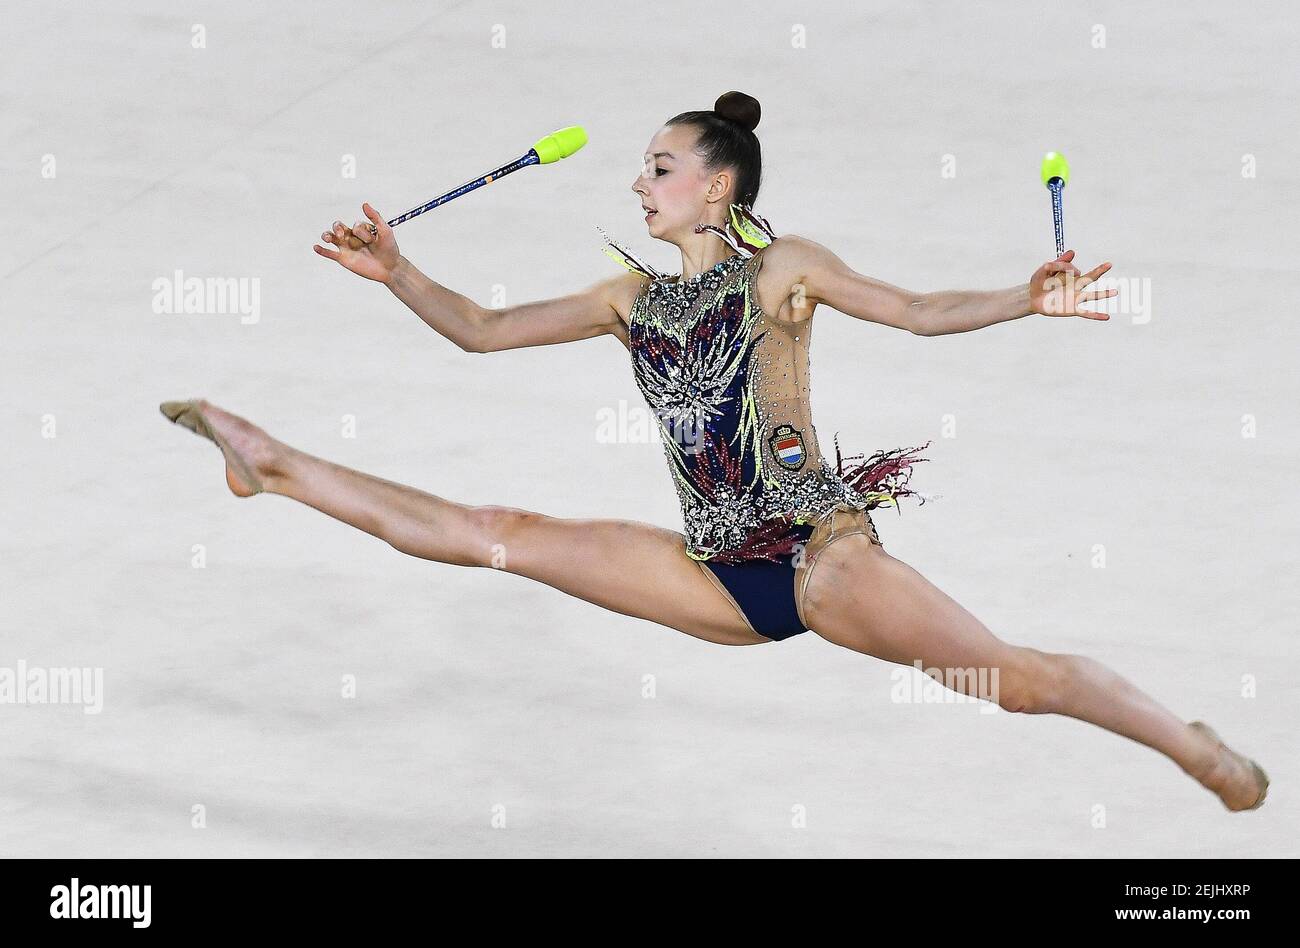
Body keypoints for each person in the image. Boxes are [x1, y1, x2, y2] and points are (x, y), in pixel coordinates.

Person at [161, 91, 1267, 811]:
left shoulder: (782, 268)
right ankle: (275, 463)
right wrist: (398, 270)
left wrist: (1023, 302)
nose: (638, 183)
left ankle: (1188, 742)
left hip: (820, 561)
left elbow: (920, 308)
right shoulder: (626, 298)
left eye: (657, 166)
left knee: (1013, 683)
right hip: (715, 574)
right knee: (496, 536)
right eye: (640, 168)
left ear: (716, 184)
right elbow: (483, 332)